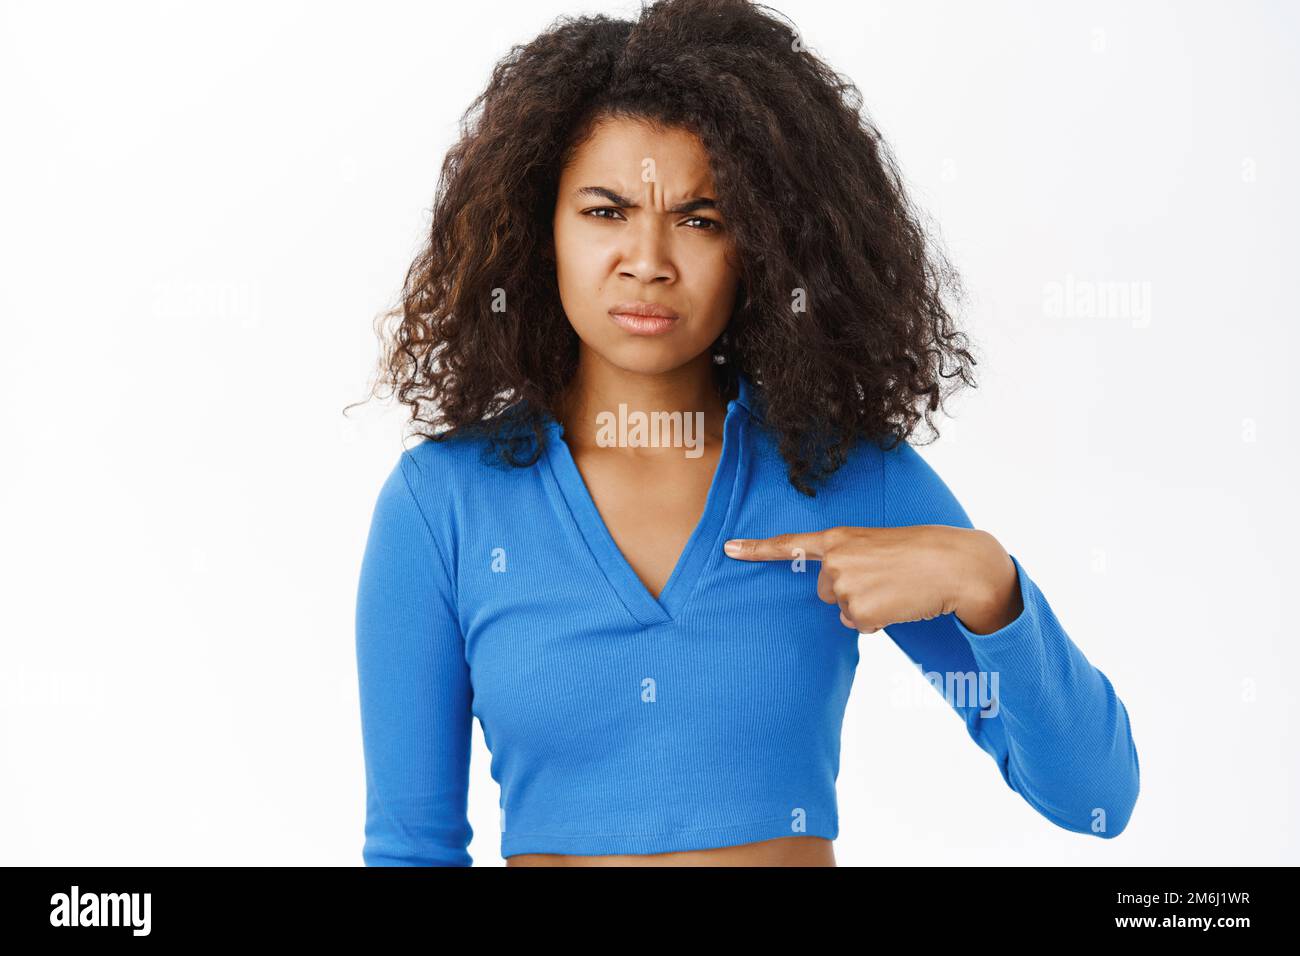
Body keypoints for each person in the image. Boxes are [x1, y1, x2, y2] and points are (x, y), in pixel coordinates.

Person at [350, 0, 1140, 867]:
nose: (648, 259)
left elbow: (1096, 799)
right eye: (606, 211)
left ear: (763, 244)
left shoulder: (841, 474)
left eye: (700, 219)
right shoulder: (442, 508)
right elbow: (410, 850)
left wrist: (993, 587)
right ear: (540, 229)